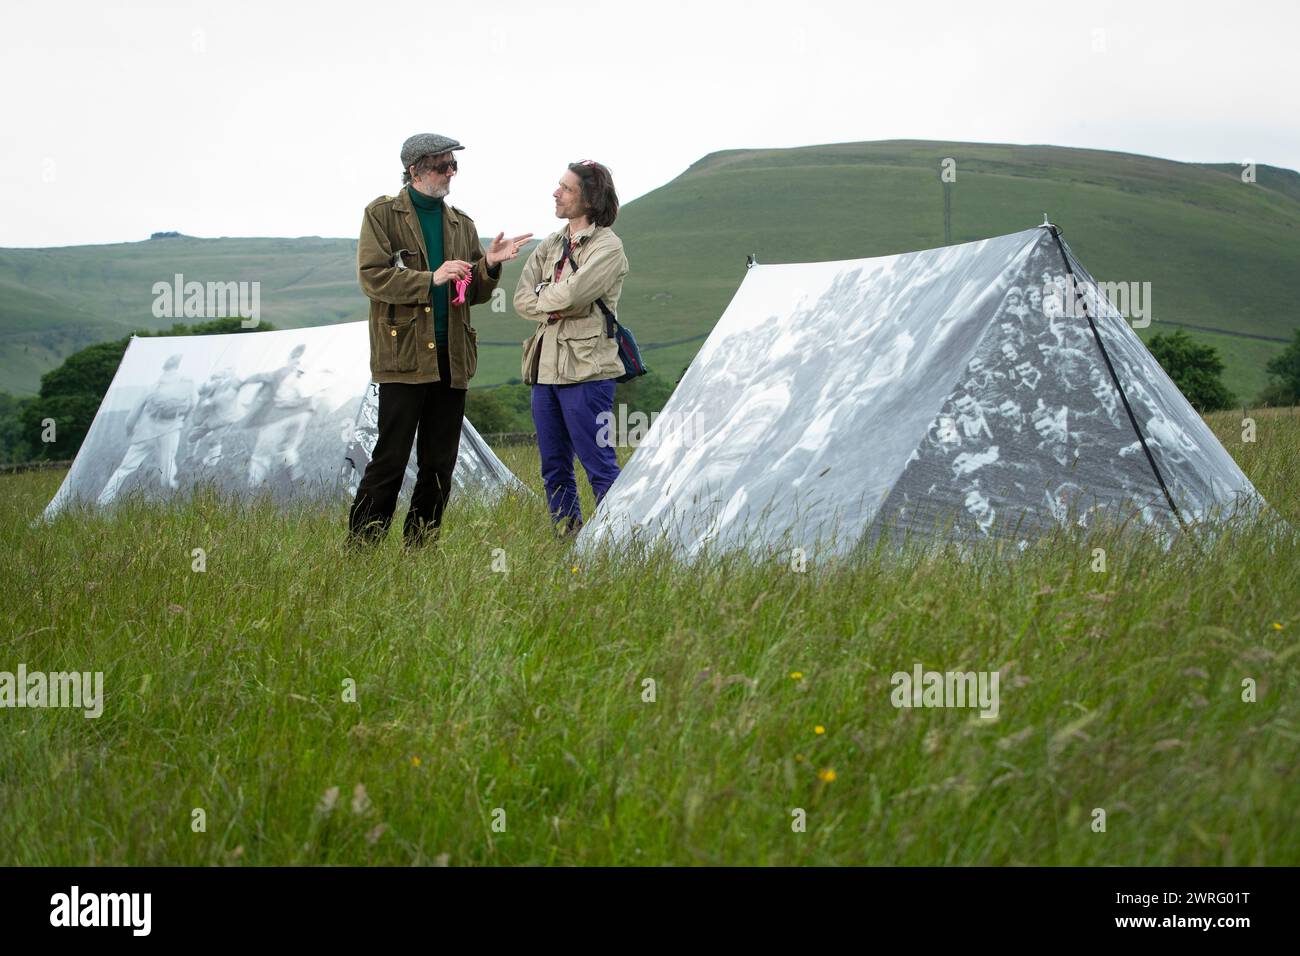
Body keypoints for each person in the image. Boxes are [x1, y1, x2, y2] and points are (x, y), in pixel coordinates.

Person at [347, 133, 532, 547]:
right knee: (390, 459)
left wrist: (489, 265)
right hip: (404, 357)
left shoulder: (461, 223)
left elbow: (475, 292)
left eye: (453, 166)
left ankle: (419, 551)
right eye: (440, 166)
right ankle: (361, 549)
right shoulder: (382, 215)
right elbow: (372, 277)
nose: (450, 173)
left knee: (439, 465)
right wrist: (430, 278)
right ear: (414, 169)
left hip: (454, 358)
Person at [513, 160, 628, 537]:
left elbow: (578, 295)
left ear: (589, 198)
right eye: (558, 185)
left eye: (566, 188)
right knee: (553, 466)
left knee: (599, 462)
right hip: (543, 369)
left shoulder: (609, 246)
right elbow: (520, 298)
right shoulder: (551, 243)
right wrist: (554, 299)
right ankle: (569, 538)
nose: (556, 193)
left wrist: (548, 296)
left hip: (588, 371)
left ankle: (621, 538)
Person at [97, 353, 196, 504]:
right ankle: (173, 498)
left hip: (146, 432)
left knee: (125, 468)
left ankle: (103, 500)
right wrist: (182, 421)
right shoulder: (187, 385)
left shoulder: (153, 387)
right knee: (168, 467)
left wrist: (129, 431)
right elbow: (192, 404)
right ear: (177, 367)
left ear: (164, 368)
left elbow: (132, 415)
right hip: (171, 430)